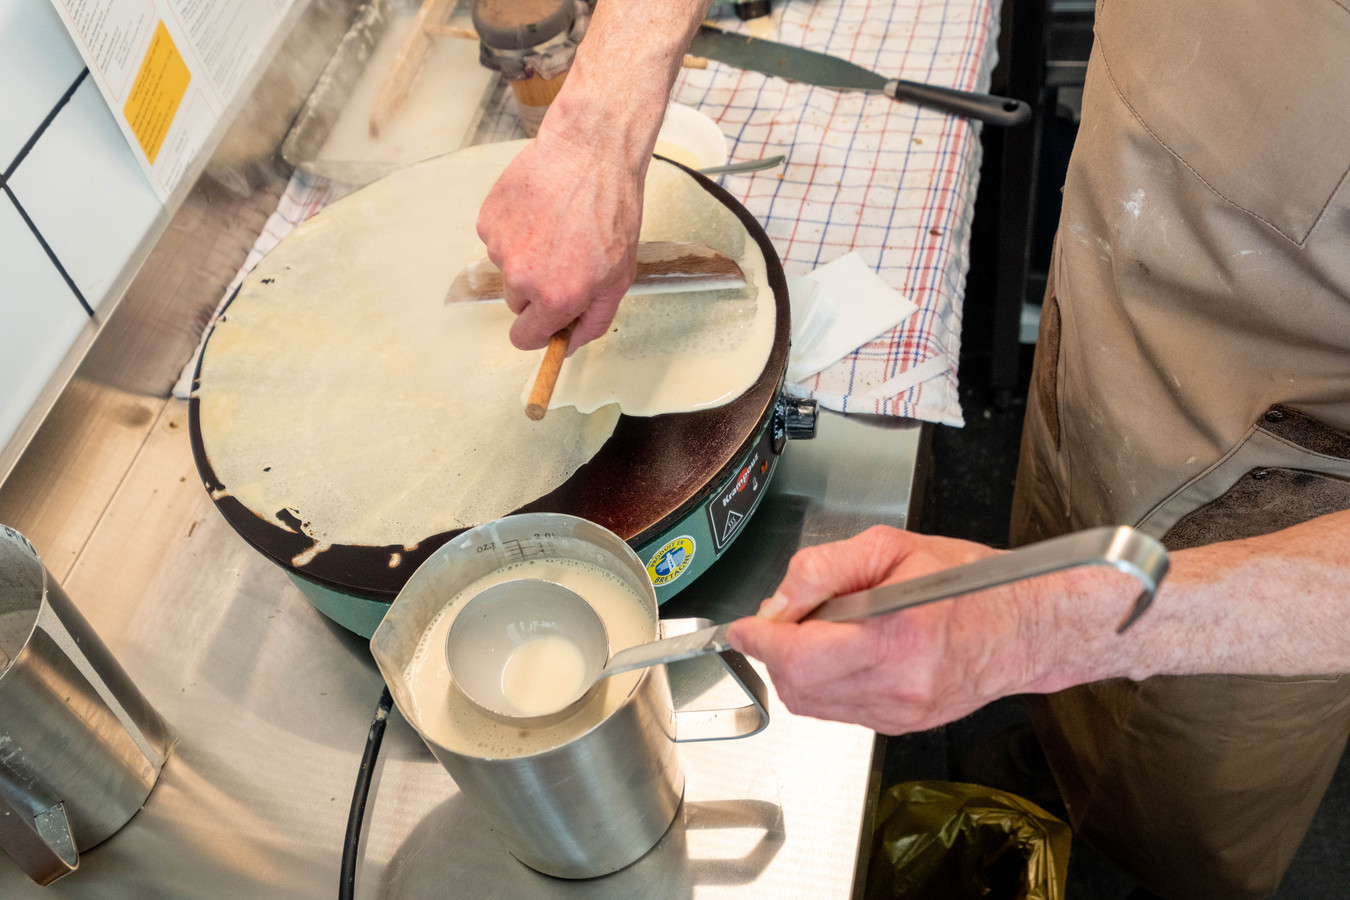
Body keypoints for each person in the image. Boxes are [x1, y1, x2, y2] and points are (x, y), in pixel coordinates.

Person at [479, 1, 1350, 897]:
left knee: (1177, 780)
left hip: (1290, 472)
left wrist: (1043, 627)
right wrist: (596, 125)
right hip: (1128, 240)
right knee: (1056, 566)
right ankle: (1048, 757)